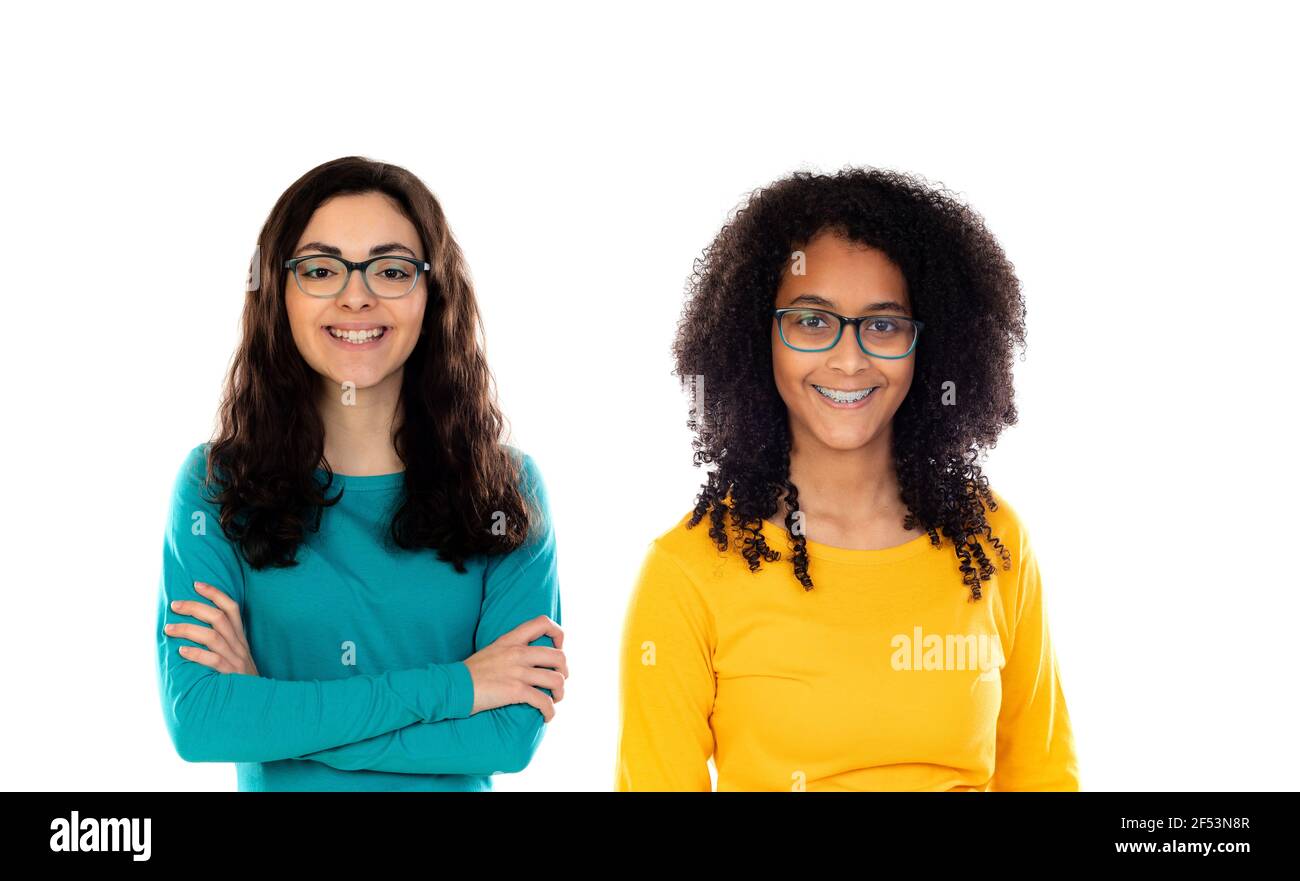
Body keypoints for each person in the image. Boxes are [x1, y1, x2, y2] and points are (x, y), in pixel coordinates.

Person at [616, 167, 1078, 791]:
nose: (849, 358)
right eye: (812, 321)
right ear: (760, 337)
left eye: (883, 325)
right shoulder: (689, 573)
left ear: (928, 345)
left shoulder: (992, 541)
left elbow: (1044, 775)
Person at [156, 156, 566, 791]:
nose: (356, 294)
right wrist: (460, 685)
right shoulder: (215, 488)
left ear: (434, 293)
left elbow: (506, 739)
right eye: (321, 270)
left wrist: (271, 706)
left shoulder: (505, 490)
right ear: (279, 293)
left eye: (392, 270)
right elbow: (203, 723)